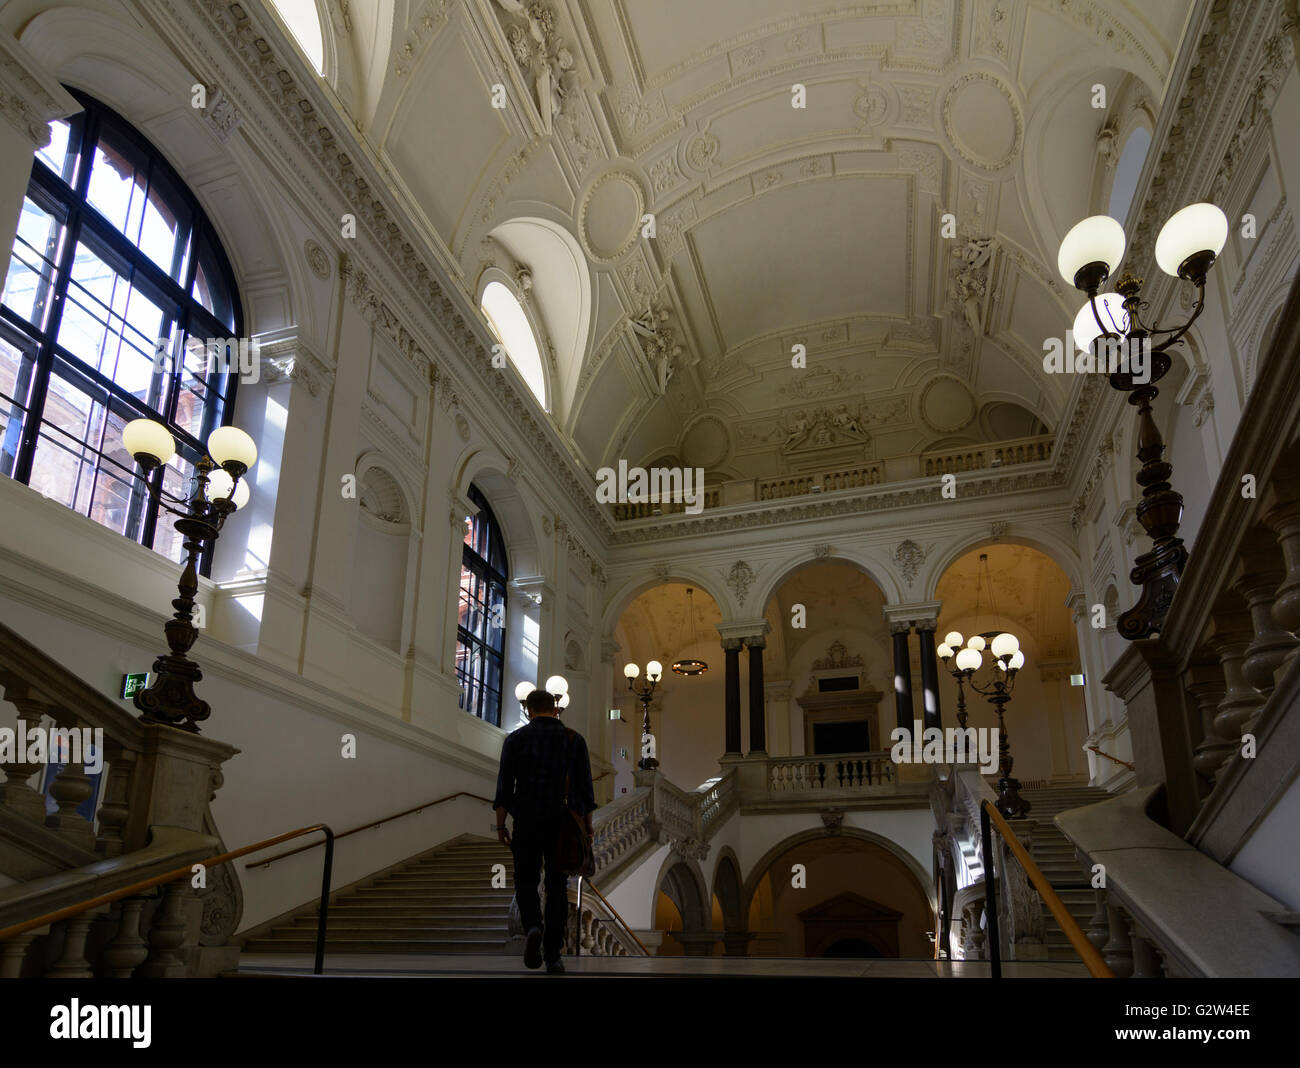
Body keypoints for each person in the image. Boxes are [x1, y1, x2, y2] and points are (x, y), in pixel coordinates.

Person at [492, 689, 596, 973]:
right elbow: (585, 791)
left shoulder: (515, 740)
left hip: (526, 819)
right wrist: (587, 829)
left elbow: (504, 787)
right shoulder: (574, 740)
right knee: (556, 886)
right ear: (555, 709)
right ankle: (552, 955)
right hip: (561, 822)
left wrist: (501, 825)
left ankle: (533, 926)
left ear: (529, 710)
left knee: (525, 881)